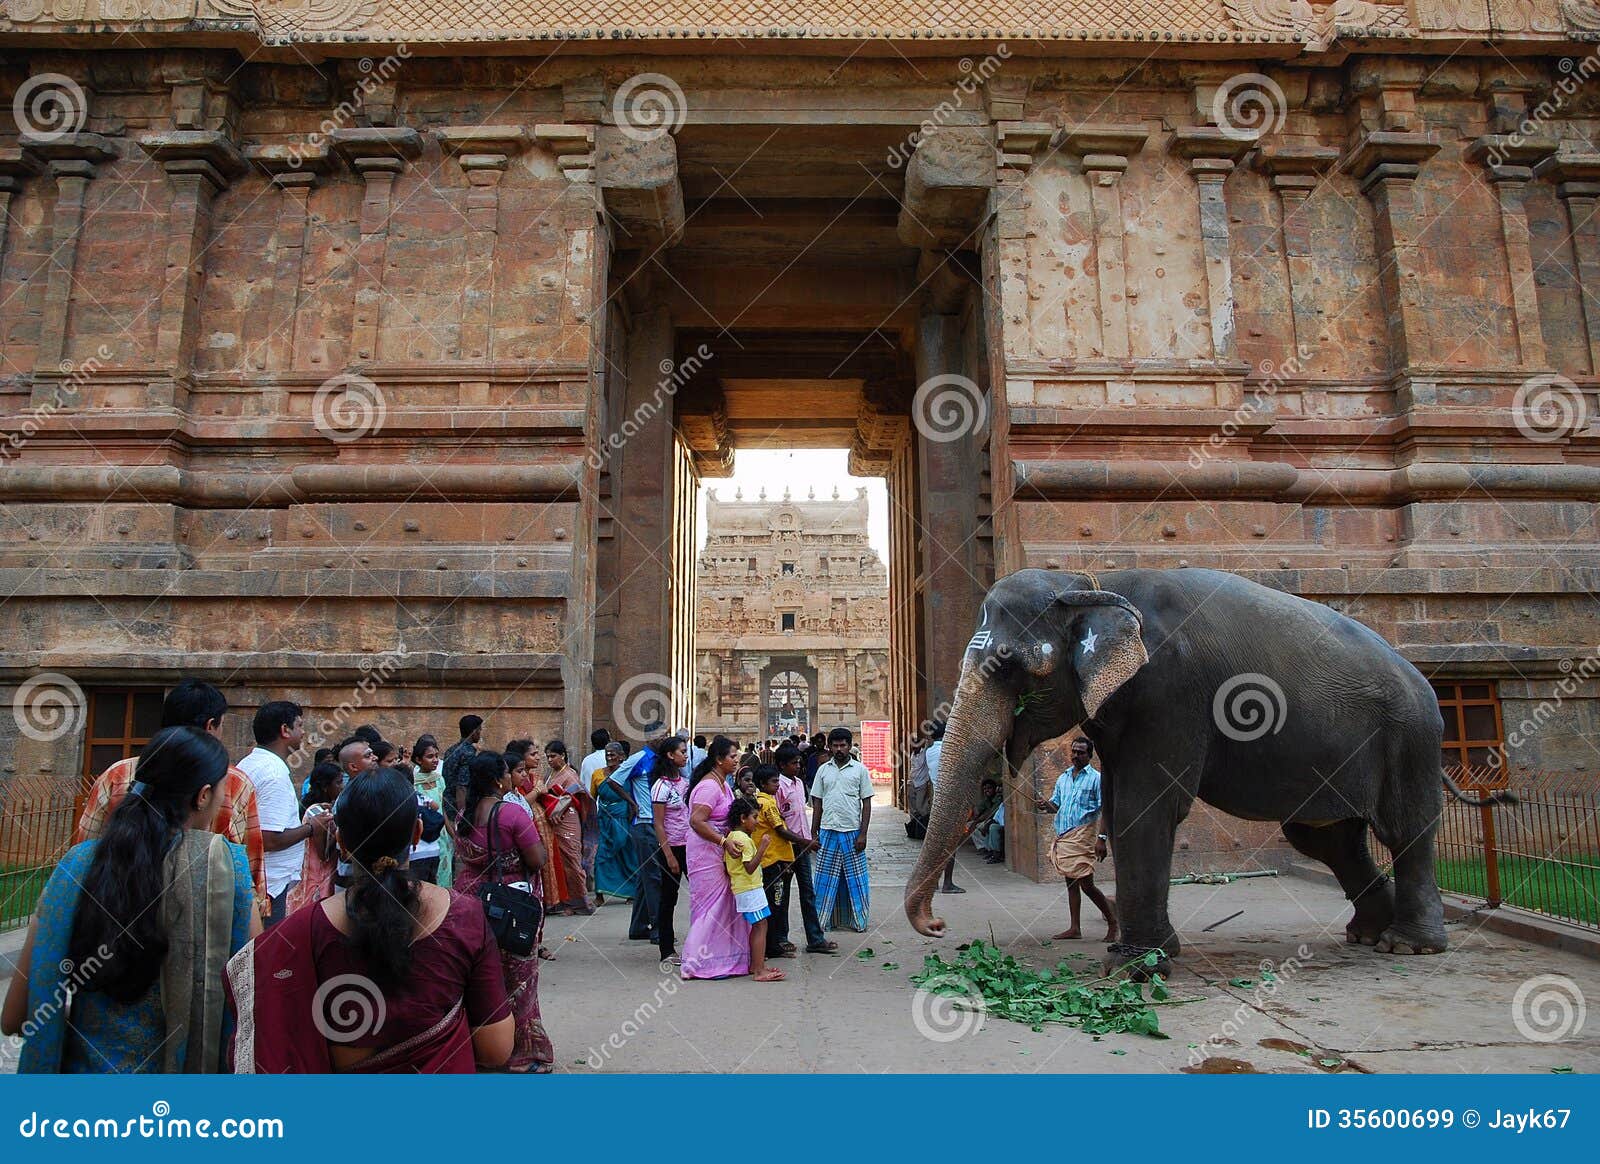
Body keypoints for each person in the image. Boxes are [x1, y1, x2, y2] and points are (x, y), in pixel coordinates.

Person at [5, 727, 258, 1072]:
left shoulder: (80, 865)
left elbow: (15, 1017)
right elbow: (254, 1010)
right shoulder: (232, 876)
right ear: (202, 796)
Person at [228, 767, 514, 1073]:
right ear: (417, 833)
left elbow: (262, 998)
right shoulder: (464, 915)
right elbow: (496, 1049)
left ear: (341, 842)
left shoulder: (304, 930)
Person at [72, 678, 268, 921]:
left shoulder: (118, 774)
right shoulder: (234, 783)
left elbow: (84, 853)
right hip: (205, 919)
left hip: (117, 912)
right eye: (221, 726)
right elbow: (250, 873)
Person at [452, 750, 554, 1072]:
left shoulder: (462, 816)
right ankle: (525, 1054)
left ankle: (480, 1049)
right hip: (508, 904)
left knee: (479, 979)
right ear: (499, 779)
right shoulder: (510, 814)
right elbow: (536, 859)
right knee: (520, 981)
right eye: (510, 773)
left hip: (468, 902)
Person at [237, 700, 324, 926]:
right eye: (299, 726)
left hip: (259, 880)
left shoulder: (252, 763)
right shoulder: (273, 773)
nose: (303, 732)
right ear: (285, 730)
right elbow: (269, 839)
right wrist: (312, 827)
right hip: (269, 885)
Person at [1034, 737, 1117, 942]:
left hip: (1083, 836)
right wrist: (1046, 805)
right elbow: (1057, 805)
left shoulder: (1097, 779)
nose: (1076, 756)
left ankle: (1113, 922)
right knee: (1070, 883)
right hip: (1065, 835)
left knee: (1086, 885)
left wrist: (1102, 839)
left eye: (1081, 752)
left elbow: (1106, 809)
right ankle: (1075, 928)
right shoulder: (1063, 778)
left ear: (1090, 755)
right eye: (1073, 752)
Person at [680, 736, 750, 980]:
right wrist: (723, 841)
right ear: (719, 760)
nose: (736, 760)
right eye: (732, 757)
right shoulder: (709, 787)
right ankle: (697, 963)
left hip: (720, 850)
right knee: (710, 906)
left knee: (725, 904)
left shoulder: (723, 783)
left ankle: (723, 959)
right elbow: (696, 821)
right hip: (705, 851)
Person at [609, 728, 678, 943]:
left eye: (666, 735)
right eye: (660, 735)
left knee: (645, 877)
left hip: (659, 824)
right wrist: (631, 802)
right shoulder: (639, 759)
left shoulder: (663, 760)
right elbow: (613, 780)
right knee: (654, 878)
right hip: (645, 823)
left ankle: (638, 926)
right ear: (649, 737)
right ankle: (658, 930)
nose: (664, 739)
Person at [809, 727, 874, 933]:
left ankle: (858, 920)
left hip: (852, 831)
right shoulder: (823, 770)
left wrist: (863, 834)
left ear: (849, 746)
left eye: (843, 745)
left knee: (856, 879)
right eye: (835, 745)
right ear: (830, 747)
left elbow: (867, 804)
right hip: (828, 831)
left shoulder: (860, 770)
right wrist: (813, 833)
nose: (839, 749)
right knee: (824, 879)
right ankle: (823, 921)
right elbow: (817, 803)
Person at [774, 744, 833, 954]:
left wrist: (809, 837)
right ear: (782, 765)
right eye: (793, 763)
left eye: (799, 762)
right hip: (786, 847)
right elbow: (777, 822)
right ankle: (781, 938)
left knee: (808, 893)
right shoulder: (777, 786)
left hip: (802, 846)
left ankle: (815, 938)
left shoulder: (799, 783)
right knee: (782, 894)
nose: (798, 766)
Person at [724, 798, 785, 983]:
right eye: (754, 817)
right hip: (749, 888)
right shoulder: (743, 839)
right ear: (743, 818)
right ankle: (759, 970)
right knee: (760, 926)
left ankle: (756, 965)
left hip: (747, 888)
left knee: (760, 925)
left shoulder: (733, 837)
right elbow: (749, 867)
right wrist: (763, 847)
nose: (757, 822)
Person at [751, 766, 804, 960]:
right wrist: (805, 842)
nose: (777, 784)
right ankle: (771, 947)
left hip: (770, 860)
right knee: (775, 903)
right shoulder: (767, 804)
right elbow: (780, 830)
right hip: (770, 862)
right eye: (774, 782)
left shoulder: (764, 802)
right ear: (763, 784)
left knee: (774, 903)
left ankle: (770, 945)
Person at [286, 761, 346, 914]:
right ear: (326, 787)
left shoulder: (324, 808)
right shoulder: (318, 813)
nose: (342, 787)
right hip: (318, 876)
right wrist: (340, 831)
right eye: (338, 783)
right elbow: (323, 854)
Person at [649, 748, 691, 966]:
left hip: (690, 846)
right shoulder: (660, 786)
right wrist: (668, 855)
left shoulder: (685, 782)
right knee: (668, 898)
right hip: (671, 847)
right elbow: (658, 822)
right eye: (682, 752)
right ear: (670, 755)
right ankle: (666, 948)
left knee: (702, 893)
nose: (685, 755)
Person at [542, 740, 593, 915]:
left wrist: (557, 809)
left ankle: (580, 903)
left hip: (568, 821)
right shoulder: (551, 774)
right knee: (559, 863)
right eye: (547, 757)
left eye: (553, 756)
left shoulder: (570, 774)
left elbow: (572, 796)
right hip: (554, 822)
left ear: (562, 755)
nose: (550, 760)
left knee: (572, 861)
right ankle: (565, 903)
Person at [592, 739, 638, 905]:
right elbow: (593, 796)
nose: (609, 757)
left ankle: (631, 892)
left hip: (623, 819)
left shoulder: (628, 773)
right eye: (607, 754)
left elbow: (633, 795)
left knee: (627, 855)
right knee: (601, 856)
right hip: (604, 820)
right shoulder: (597, 774)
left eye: (613, 754)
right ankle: (599, 893)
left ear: (621, 757)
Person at [923, 722, 963, 895]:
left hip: (938, 800)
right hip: (950, 801)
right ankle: (947, 882)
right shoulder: (947, 751)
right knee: (950, 845)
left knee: (939, 844)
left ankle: (934, 882)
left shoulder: (929, 752)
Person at [412, 734, 453, 887]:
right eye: (430, 757)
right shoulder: (414, 783)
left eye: (436, 756)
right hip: (424, 835)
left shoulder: (439, 779)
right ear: (418, 760)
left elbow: (442, 809)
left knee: (445, 872)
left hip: (441, 833)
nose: (435, 760)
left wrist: (451, 834)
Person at [441, 714, 483, 821]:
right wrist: (463, 816)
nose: (480, 734)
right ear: (474, 731)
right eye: (479, 730)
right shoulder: (468, 753)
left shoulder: (451, 749)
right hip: (458, 806)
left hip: (447, 802)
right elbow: (462, 786)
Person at [971, 778, 1005, 864]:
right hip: (996, 821)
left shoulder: (999, 800)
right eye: (985, 789)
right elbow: (995, 816)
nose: (987, 790)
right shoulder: (996, 802)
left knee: (991, 827)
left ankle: (996, 854)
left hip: (1003, 824)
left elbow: (992, 814)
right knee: (988, 826)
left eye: (989, 788)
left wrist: (987, 822)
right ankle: (988, 850)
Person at [579, 728, 610, 794]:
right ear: (608, 741)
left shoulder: (586, 760)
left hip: (590, 800)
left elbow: (582, 783)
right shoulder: (611, 759)